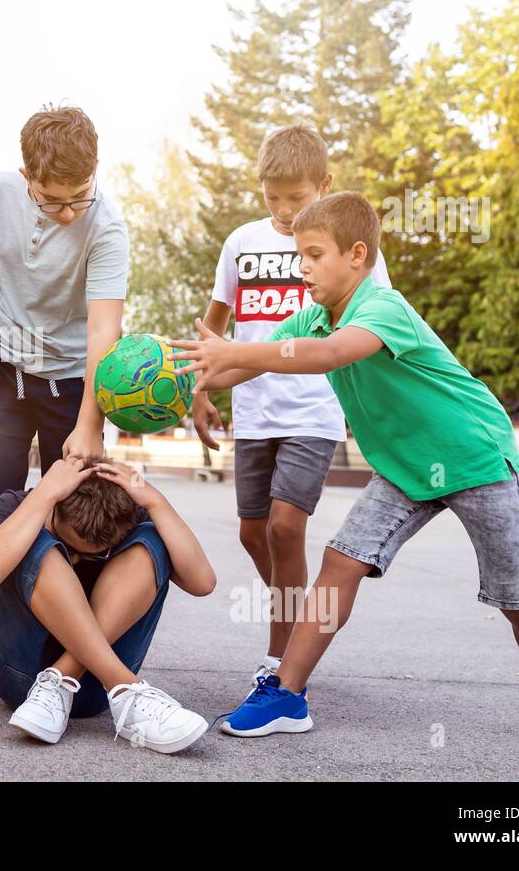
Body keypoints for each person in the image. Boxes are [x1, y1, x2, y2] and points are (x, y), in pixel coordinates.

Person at [174, 192, 519, 753]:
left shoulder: (383, 308)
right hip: (402, 468)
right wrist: (192, 374)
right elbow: (256, 364)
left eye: (314, 255)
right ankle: (286, 694)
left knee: (515, 596)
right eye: (299, 256)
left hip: (475, 459)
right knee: (339, 561)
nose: (303, 268)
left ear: (356, 255)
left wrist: (237, 355)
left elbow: (325, 355)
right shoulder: (315, 314)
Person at [195, 124, 390, 687]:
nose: (282, 210)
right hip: (254, 408)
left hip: (315, 407)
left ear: (324, 185)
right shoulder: (241, 243)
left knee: (285, 528)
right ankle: (301, 612)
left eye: (296, 198)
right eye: (271, 197)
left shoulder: (351, 247)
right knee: (252, 534)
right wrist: (203, 389)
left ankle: (280, 659)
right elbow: (217, 322)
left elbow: (369, 320)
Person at [0, 106, 129, 702]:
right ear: (26, 176)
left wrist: (89, 424)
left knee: (75, 515)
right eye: (53, 200)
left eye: (80, 195)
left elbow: (105, 329)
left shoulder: (107, 226)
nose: (69, 211)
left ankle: (58, 648)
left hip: (71, 375)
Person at [0, 458, 216, 753]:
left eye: (95, 555)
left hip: (98, 693)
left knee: (155, 537)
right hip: (21, 681)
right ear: (55, 506)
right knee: (28, 537)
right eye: (68, 547)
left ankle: (66, 677)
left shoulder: (131, 516)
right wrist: (45, 494)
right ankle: (125, 685)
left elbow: (202, 582)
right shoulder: (16, 503)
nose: (75, 559)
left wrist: (155, 501)